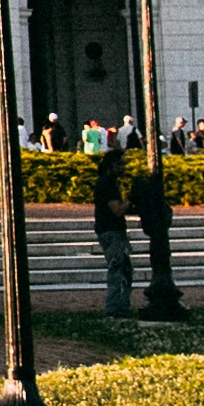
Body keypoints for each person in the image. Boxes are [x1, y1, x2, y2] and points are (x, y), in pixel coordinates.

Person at [92, 126, 135, 315]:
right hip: (111, 231)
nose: (124, 168)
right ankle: (114, 307)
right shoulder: (106, 183)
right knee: (118, 269)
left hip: (112, 230)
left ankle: (121, 305)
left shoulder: (109, 182)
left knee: (124, 270)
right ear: (112, 166)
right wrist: (132, 199)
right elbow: (117, 210)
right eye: (122, 164)